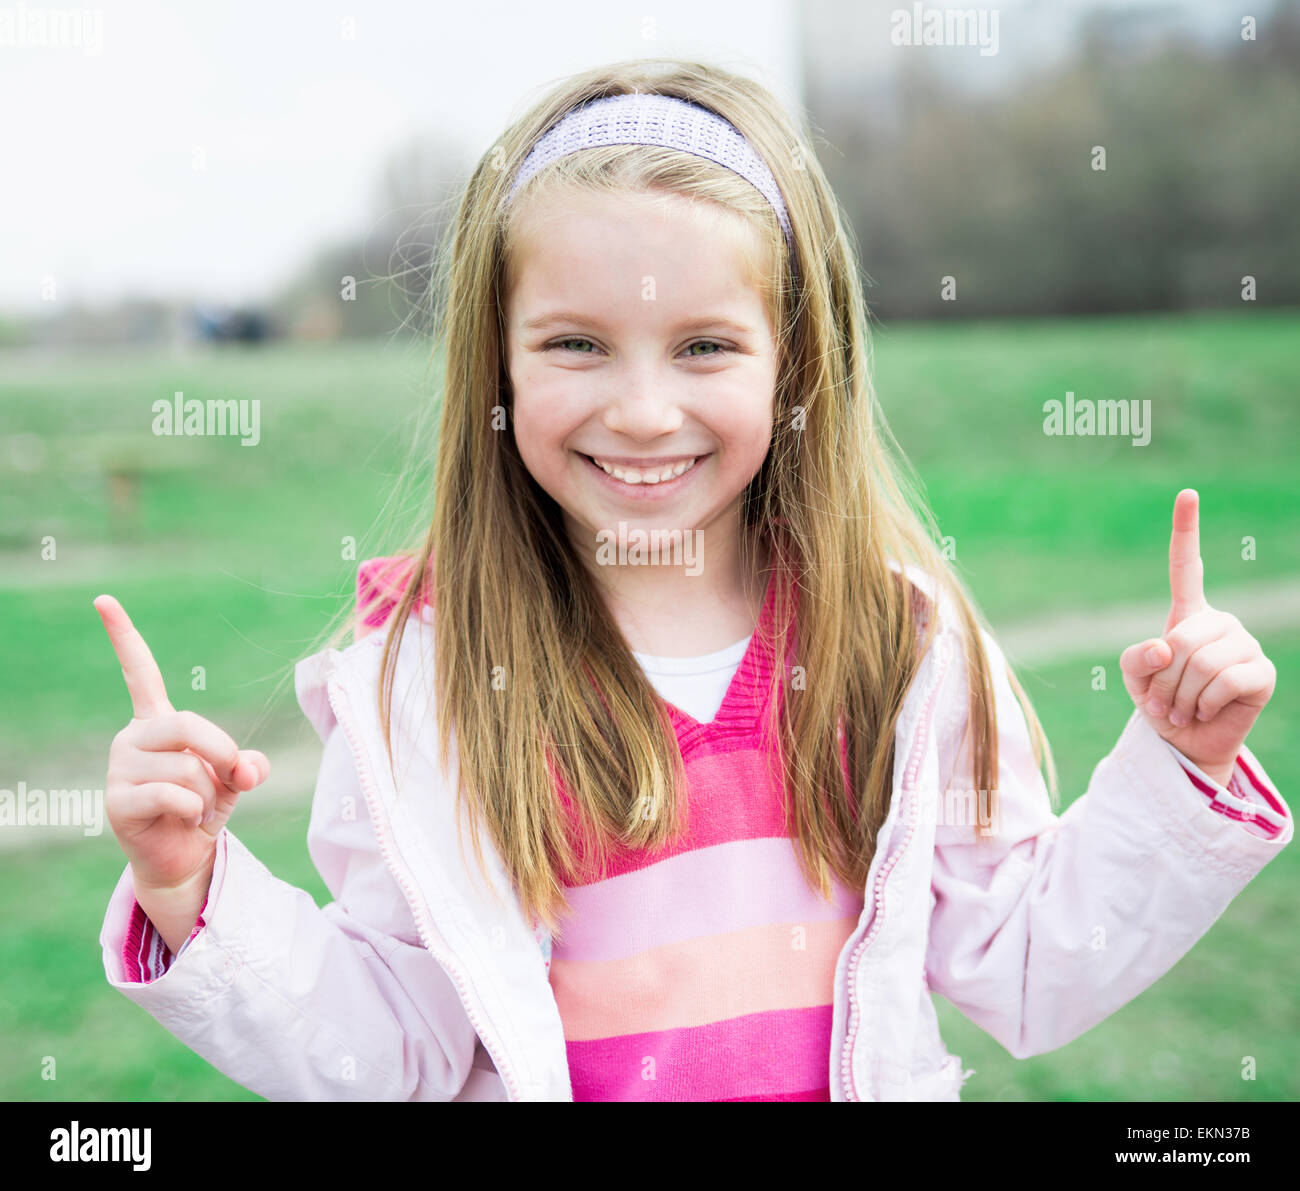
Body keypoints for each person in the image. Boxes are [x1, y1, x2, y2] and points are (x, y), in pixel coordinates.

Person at [94, 58, 1290, 1102]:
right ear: (494, 365)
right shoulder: (424, 680)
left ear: (792, 361)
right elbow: (394, 1048)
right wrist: (194, 891)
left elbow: (1029, 965)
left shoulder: (897, 644)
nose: (645, 411)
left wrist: (1181, 768)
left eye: (705, 346)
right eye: (575, 344)